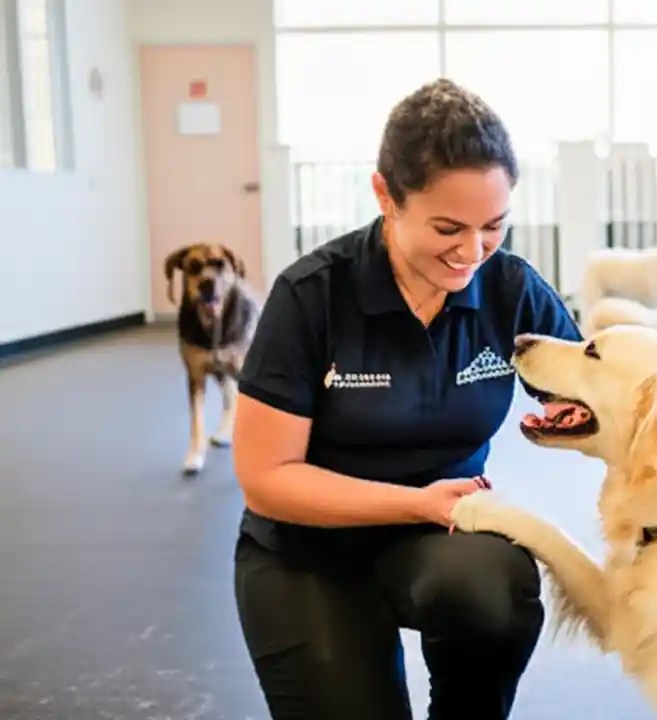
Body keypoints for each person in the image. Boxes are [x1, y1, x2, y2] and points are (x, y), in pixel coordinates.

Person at [230, 78, 582, 720]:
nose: (472, 251)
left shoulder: (509, 289)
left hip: (440, 539)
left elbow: (605, 389)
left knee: (495, 589)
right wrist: (415, 502)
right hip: (306, 553)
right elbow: (266, 479)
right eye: (448, 227)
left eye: (494, 226)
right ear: (385, 196)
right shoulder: (313, 296)